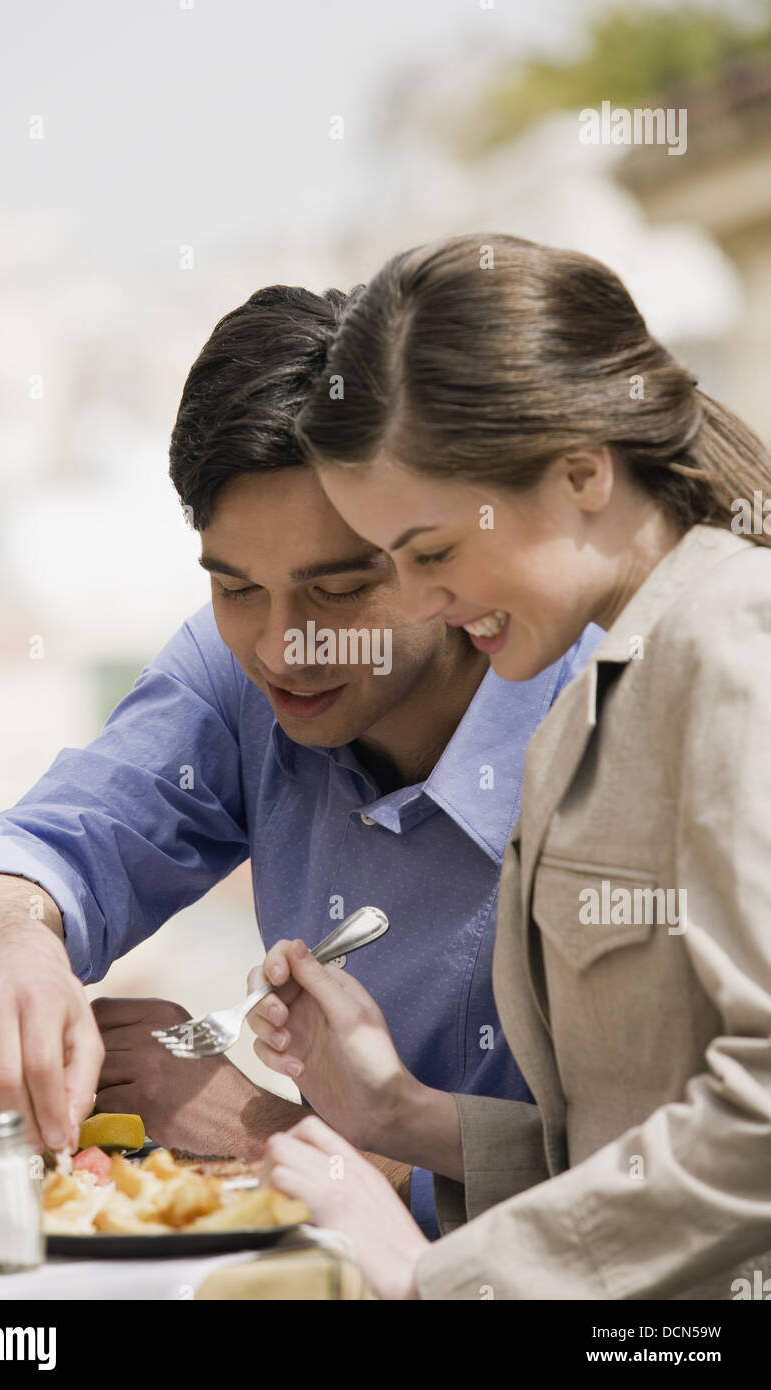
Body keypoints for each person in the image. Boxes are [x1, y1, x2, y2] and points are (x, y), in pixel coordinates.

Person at [0, 281, 602, 1239]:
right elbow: (34, 852)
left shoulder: (613, 722)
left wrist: (275, 1132)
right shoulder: (236, 676)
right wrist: (14, 951)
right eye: (236, 588)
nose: (283, 648)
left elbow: (670, 1175)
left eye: (340, 588)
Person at [246, 232, 771, 1298]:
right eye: (390, 562)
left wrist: (442, 1279)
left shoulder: (729, 655)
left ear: (582, 470)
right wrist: (393, 1109)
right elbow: (623, 1144)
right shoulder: (590, 696)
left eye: (434, 551)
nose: (424, 602)